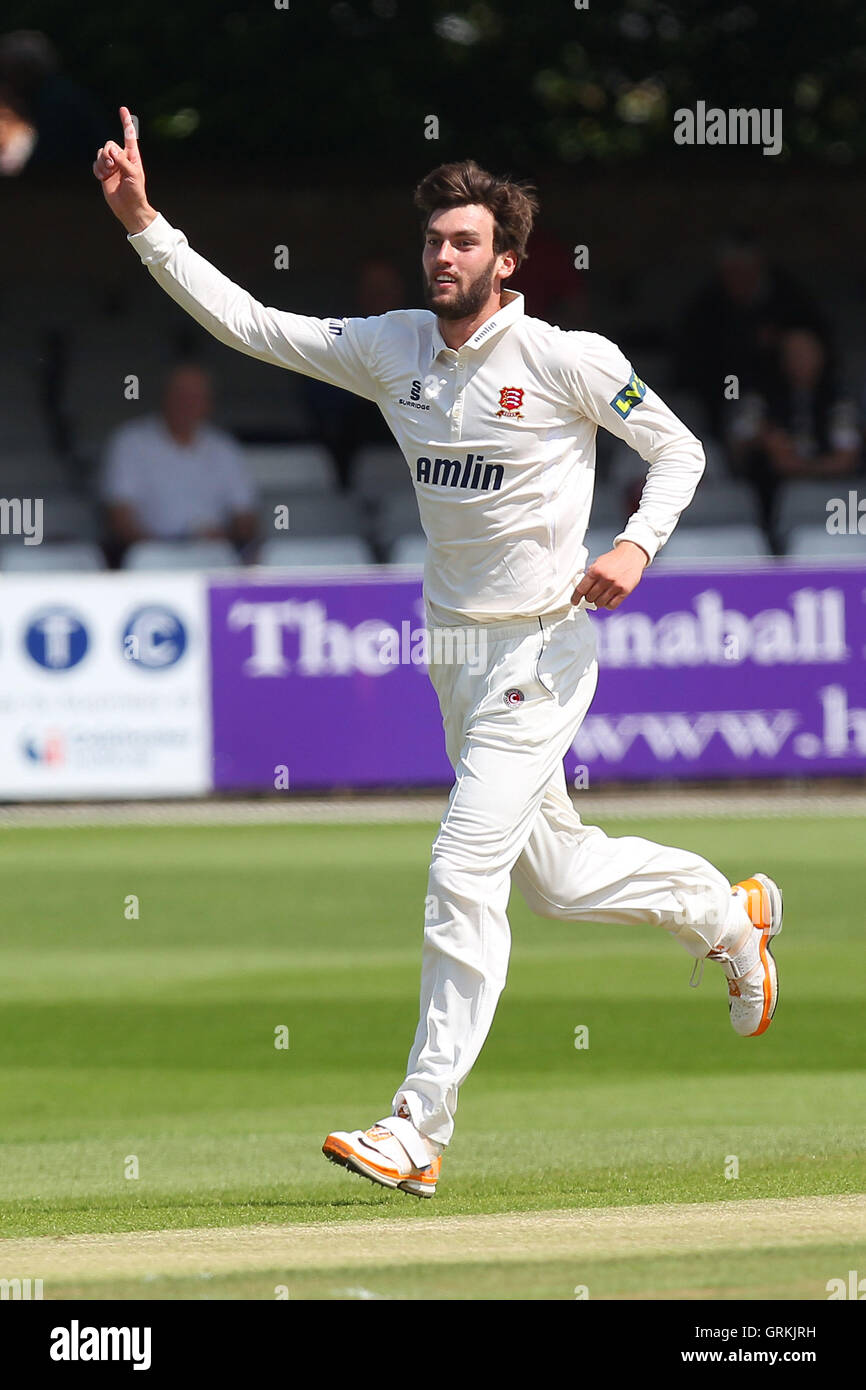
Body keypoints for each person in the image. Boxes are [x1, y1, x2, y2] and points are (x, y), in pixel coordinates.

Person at [93, 108, 784, 1200]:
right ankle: (720, 911)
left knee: (461, 868)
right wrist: (144, 223)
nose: (442, 258)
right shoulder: (393, 346)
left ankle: (416, 1126)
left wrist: (636, 546)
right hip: (455, 654)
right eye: (432, 242)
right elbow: (254, 325)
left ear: (505, 262)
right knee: (552, 877)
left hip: (545, 648)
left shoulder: (562, 357)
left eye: (463, 244)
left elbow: (677, 447)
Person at [100, 362, 258, 558]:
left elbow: (244, 515)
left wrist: (229, 540)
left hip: (215, 555)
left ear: (209, 403)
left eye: (196, 397)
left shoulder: (224, 448)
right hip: (150, 558)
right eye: (180, 394)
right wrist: (163, 552)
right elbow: (120, 517)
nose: (187, 403)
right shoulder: (130, 442)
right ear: (164, 396)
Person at [729, 327, 860, 551]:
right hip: (772, 495)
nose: (799, 361)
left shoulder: (840, 398)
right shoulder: (759, 396)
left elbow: (847, 458)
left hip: (835, 498)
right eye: (792, 354)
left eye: (806, 353)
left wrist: (799, 467)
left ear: (821, 355)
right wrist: (764, 439)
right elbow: (736, 446)